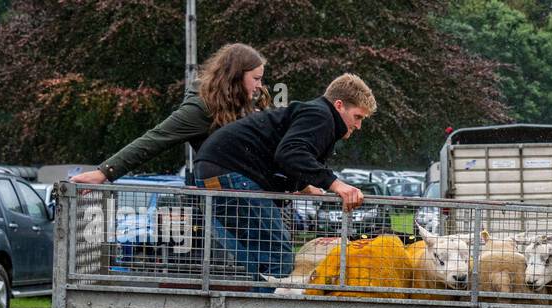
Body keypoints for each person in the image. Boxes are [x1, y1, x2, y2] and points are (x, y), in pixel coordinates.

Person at [191, 73, 372, 282]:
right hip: (231, 172)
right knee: (277, 253)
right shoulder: (321, 116)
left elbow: (284, 152)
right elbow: (290, 153)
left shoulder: (312, 114)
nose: (358, 126)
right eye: (357, 117)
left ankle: (257, 304)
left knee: (257, 257)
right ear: (339, 105)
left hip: (215, 170)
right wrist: (337, 185)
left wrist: (305, 185)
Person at [70, 43, 270, 185]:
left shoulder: (243, 106)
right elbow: (156, 138)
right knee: (273, 243)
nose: (259, 85)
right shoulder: (201, 109)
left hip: (250, 188)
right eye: (256, 78)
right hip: (231, 193)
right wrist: (105, 172)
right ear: (235, 77)